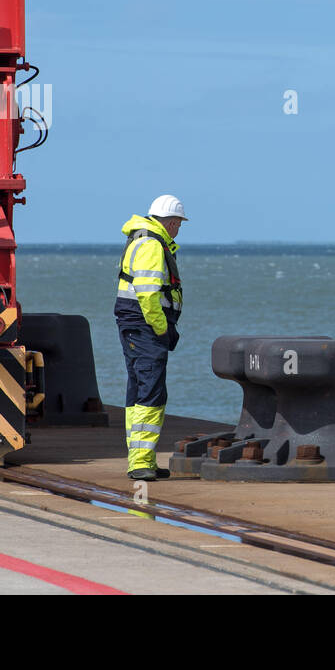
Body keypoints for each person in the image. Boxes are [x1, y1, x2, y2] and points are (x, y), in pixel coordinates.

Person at [114, 194, 187, 481]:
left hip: (135, 326)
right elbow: (148, 294)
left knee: (139, 390)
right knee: (150, 392)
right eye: (178, 224)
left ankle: (141, 458)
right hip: (144, 326)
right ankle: (140, 463)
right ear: (170, 222)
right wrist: (161, 328)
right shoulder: (151, 245)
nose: (179, 229)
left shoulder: (142, 239)